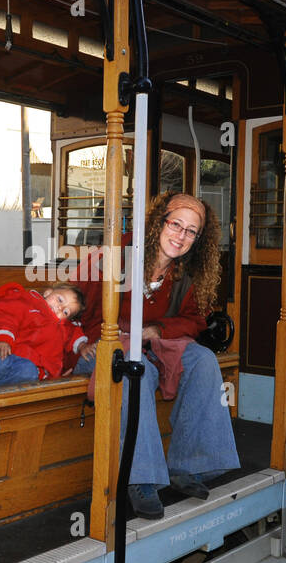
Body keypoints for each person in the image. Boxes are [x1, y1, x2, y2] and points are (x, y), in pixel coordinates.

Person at [74, 191, 240, 520]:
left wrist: (158, 330)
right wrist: (107, 337)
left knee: (204, 361)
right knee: (137, 370)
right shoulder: (114, 254)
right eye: (176, 224)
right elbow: (74, 306)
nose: (181, 235)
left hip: (154, 342)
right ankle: (141, 479)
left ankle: (189, 466)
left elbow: (195, 320)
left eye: (191, 231)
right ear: (157, 223)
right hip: (99, 344)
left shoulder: (188, 273)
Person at [0, 282, 88, 386]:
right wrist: (3, 338)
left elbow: (72, 333)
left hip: (24, 366)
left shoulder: (61, 327)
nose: (60, 308)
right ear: (48, 292)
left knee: (30, 371)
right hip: (2, 350)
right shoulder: (27, 301)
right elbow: (5, 316)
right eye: (60, 300)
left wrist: (82, 346)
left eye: (65, 312)